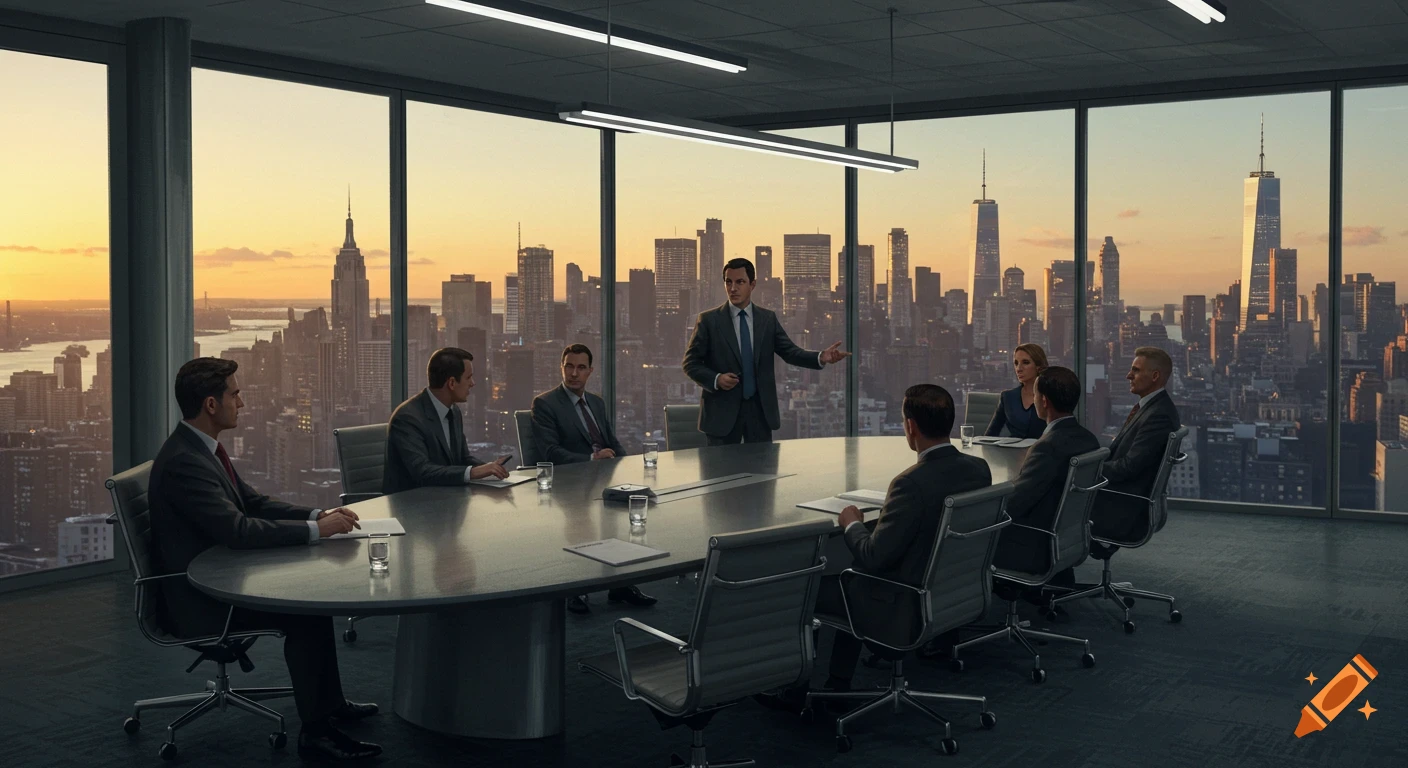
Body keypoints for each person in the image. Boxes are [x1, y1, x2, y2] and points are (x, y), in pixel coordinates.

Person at [148, 358, 381, 761]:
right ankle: (316, 732)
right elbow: (237, 530)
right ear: (210, 404)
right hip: (201, 599)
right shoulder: (186, 461)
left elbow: (251, 501)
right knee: (306, 613)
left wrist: (315, 515)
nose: (243, 402)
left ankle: (330, 705)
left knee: (312, 602)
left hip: (221, 575)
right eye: (235, 394)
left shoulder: (201, 448)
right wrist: (315, 534)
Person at [805, 385, 991, 696]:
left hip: (904, 600)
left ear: (910, 426)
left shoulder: (910, 484)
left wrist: (852, 524)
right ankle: (836, 684)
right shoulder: (978, 469)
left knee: (824, 583)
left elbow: (873, 557)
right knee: (856, 575)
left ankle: (821, 688)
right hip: (952, 590)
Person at [531, 343, 656, 615]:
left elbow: (613, 443)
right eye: (569, 366)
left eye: (580, 368)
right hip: (570, 486)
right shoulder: (545, 403)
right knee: (584, 526)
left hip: (604, 481)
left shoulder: (596, 402)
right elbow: (550, 452)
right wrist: (591, 459)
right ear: (561, 368)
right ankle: (577, 590)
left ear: (590, 371)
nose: (574, 373)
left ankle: (620, 585)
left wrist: (630, 467)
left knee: (631, 514)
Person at [682, 257, 850, 445]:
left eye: (740, 282)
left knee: (763, 472)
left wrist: (821, 357)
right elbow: (690, 363)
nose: (733, 288)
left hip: (760, 413)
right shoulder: (709, 321)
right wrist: (716, 379)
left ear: (752, 285)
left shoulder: (767, 319)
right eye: (728, 282)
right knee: (721, 473)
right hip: (722, 415)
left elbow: (790, 352)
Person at [991, 366, 1099, 577]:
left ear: (1044, 401)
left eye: (1035, 394)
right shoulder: (1088, 438)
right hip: (1067, 538)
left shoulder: (1048, 447)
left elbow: (1014, 504)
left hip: (1034, 544)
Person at [382, 347, 510, 496]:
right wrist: (473, 472)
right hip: (411, 506)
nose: (473, 383)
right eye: (468, 378)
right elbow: (422, 472)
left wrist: (490, 468)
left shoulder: (454, 412)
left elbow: (462, 459)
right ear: (451, 383)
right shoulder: (407, 418)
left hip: (446, 500)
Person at [1090, 346, 1182, 547]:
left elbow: (1128, 468)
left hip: (1123, 506)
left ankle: (1052, 566)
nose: (1128, 375)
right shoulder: (1153, 407)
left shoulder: (1158, 416)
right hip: (1122, 497)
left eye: (1136, 370)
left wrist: (1086, 469)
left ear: (1155, 376)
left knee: (1053, 500)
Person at [986, 343, 1048, 439]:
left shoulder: (1051, 396)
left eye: (1025, 362)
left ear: (1038, 366)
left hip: (1044, 451)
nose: (1019, 369)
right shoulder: (1007, 397)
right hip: (1012, 452)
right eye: (1016, 363)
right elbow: (990, 435)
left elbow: (1061, 432)